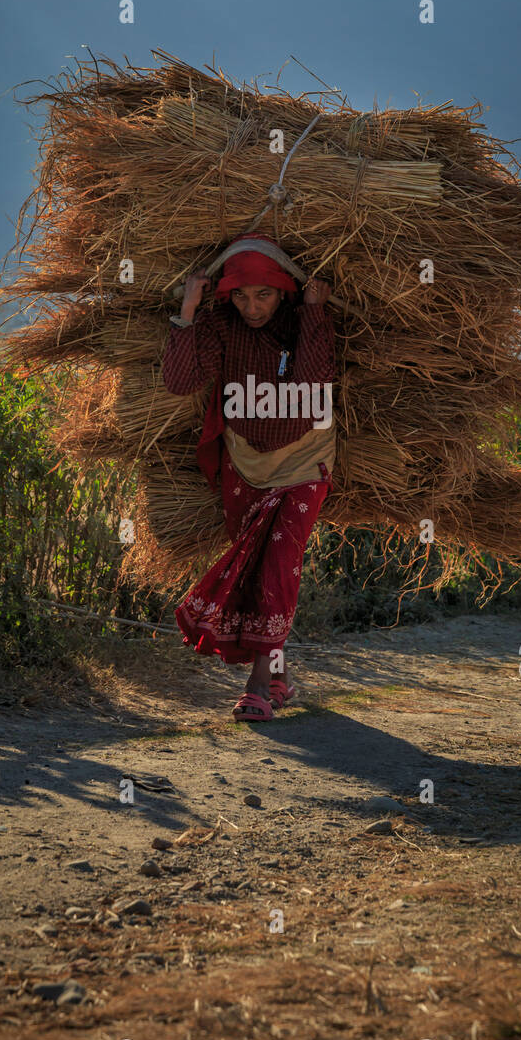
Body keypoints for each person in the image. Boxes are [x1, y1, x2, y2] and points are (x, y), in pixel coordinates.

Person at [161, 233, 336, 721]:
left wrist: (314, 312)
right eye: (239, 294)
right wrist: (189, 308)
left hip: (305, 461)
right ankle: (278, 675)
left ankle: (258, 685)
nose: (251, 306)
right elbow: (179, 382)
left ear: (283, 291)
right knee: (255, 570)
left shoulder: (305, 320)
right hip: (246, 462)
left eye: (262, 294)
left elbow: (311, 386)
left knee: (279, 564)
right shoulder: (219, 325)